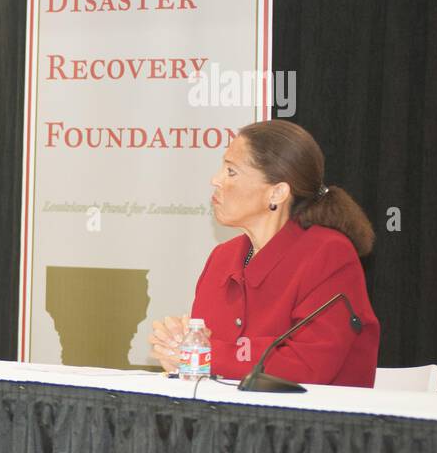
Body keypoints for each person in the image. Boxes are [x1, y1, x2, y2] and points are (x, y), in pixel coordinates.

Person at [149, 119, 380, 386]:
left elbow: (308, 365)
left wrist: (205, 355)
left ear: (277, 192)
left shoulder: (329, 254)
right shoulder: (222, 258)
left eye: (231, 172)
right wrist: (181, 347)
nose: (215, 180)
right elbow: (211, 355)